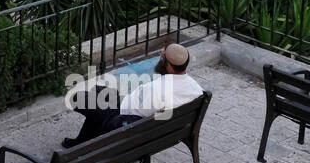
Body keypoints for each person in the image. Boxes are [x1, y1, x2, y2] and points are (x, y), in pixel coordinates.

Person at [61, 43, 204, 148]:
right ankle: (81, 141)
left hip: (121, 122)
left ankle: (84, 145)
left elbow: (139, 114)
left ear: (170, 67)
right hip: (143, 122)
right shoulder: (196, 89)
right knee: (100, 91)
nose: (159, 59)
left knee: (77, 98)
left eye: (161, 58)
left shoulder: (157, 89)